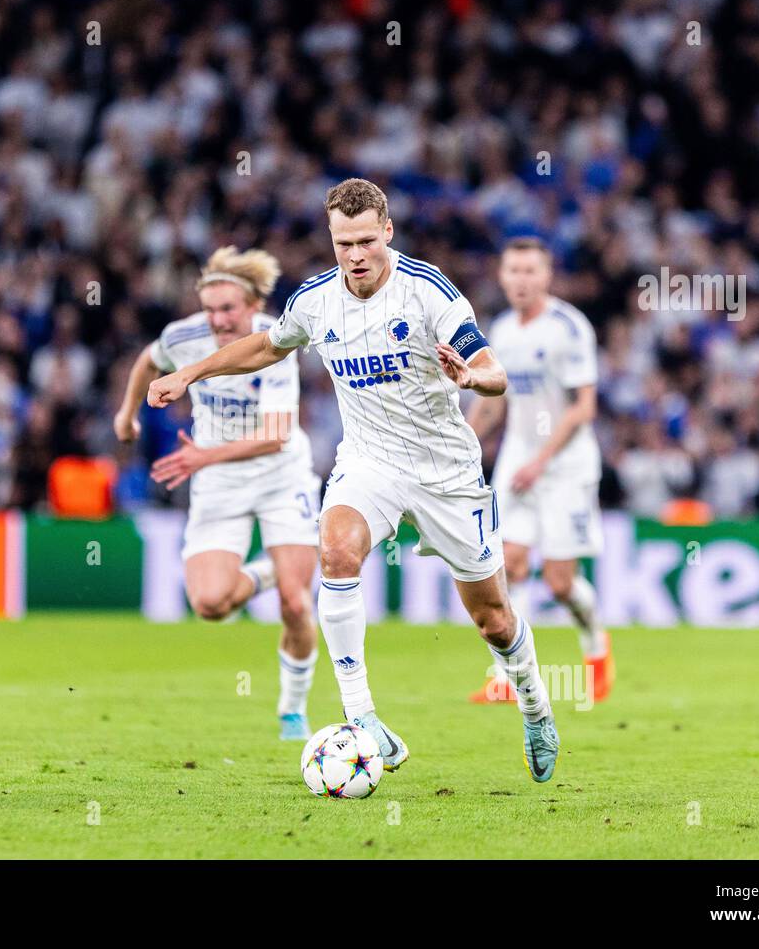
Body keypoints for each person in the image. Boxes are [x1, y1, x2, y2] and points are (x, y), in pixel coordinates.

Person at [148, 179, 560, 782]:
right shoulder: (315, 300)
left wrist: (470, 379)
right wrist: (190, 374)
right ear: (332, 240)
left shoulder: (428, 292)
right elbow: (266, 346)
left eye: (367, 240)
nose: (356, 254)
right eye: (344, 243)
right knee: (336, 550)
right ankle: (362, 718)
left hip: (446, 471)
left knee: (493, 618)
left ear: (387, 232)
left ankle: (535, 707)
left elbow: (493, 369)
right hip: (370, 463)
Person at [114, 247, 321, 740]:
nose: (219, 320)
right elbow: (149, 359)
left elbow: (275, 435)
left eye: (229, 309)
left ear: (253, 305)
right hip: (220, 481)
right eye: (210, 310)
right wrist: (127, 414)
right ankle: (267, 569)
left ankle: (292, 709)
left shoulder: (275, 339)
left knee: (295, 602)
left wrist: (203, 457)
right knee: (209, 604)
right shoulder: (185, 336)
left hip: (279, 473)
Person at [466, 238, 614, 705]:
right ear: (502, 276)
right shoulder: (503, 330)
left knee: (560, 582)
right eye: (513, 271)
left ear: (547, 276)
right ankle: (508, 677)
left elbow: (584, 408)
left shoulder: (569, 328)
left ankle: (596, 647)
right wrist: (463, 444)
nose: (521, 280)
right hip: (518, 457)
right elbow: (494, 405)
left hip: (565, 463)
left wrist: (541, 462)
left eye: (531, 271)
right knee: (508, 565)